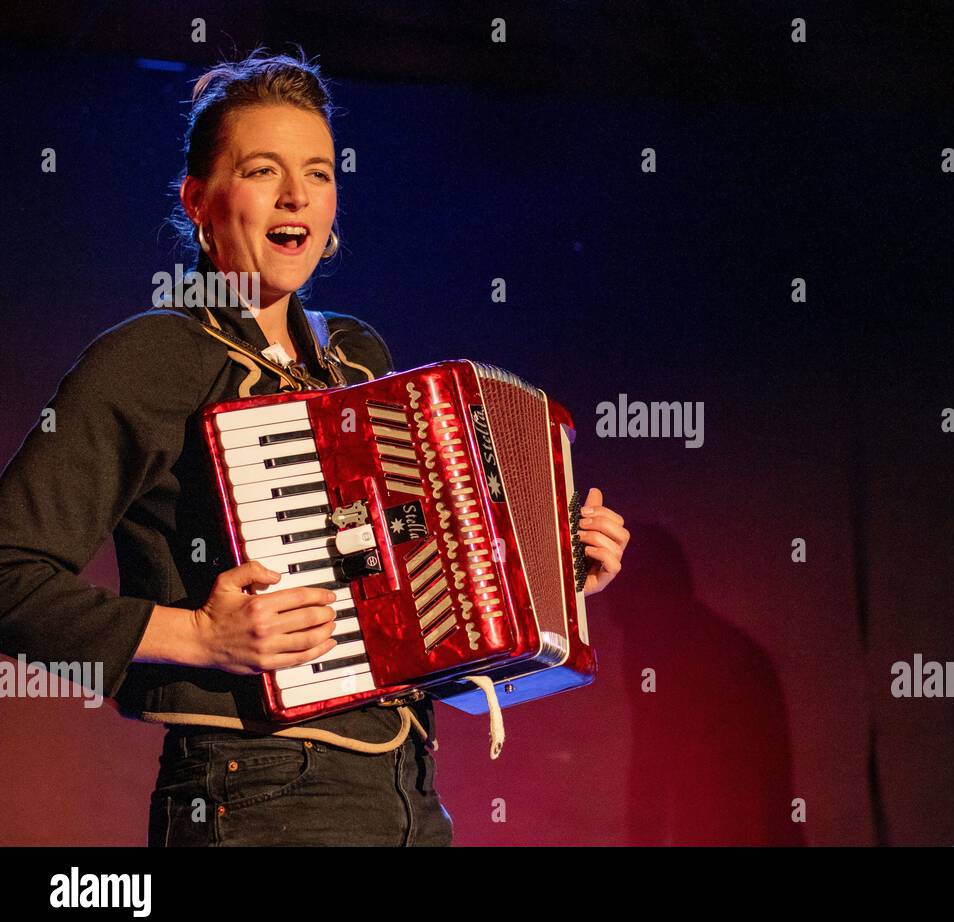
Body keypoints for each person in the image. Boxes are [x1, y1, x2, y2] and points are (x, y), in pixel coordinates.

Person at [0, 50, 630, 847]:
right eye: (263, 170)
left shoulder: (358, 356)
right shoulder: (148, 357)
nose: (297, 194)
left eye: (319, 173)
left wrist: (554, 579)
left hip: (407, 792)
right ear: (197, 200)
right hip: (253, 790)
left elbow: (427, 619)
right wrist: (198, 636)